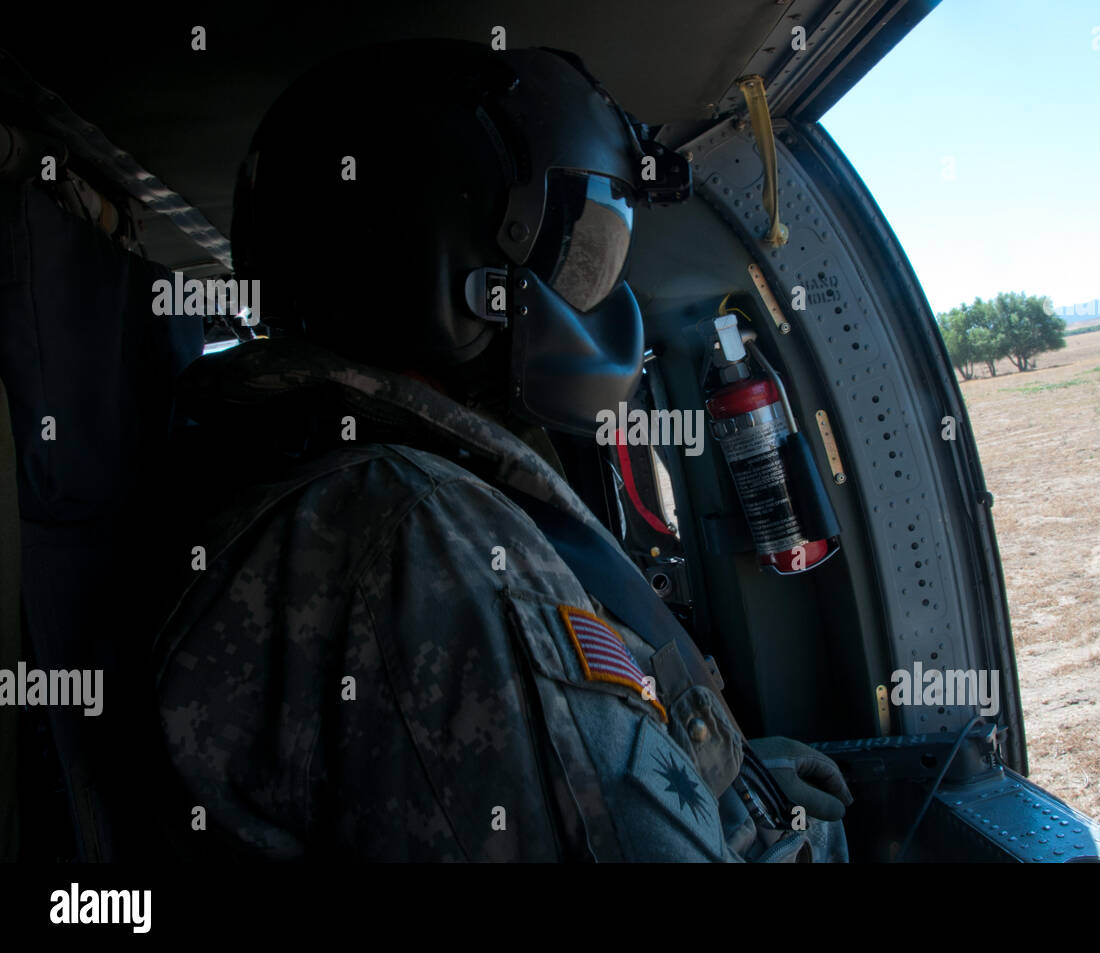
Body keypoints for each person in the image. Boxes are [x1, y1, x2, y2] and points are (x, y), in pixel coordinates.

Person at [152, 38, 851, 861]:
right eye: (584, 255)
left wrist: (726, 777)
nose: (599, 298)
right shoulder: (421, 532)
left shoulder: (326, 478)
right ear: (442, 256)